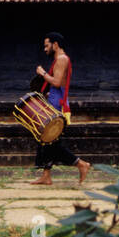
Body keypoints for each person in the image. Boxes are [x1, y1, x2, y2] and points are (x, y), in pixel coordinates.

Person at [29, 32, 92, 186]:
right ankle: (46, 176)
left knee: (50, 140)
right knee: (46, 140)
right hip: (55, 99)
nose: (45, 49)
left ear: (55, 44)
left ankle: (81, 164)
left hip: (57, 104)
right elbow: (59, 85)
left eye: (46, 45)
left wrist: (42, 73)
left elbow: (57, 82)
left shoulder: (62, 59)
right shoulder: (59, 59)